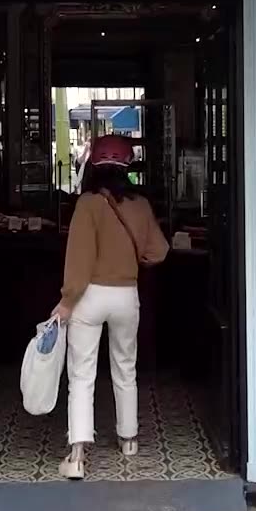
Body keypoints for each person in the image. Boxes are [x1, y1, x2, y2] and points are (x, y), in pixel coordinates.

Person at [50, 134, 168, 480]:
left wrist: (67, 300)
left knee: (82, 375)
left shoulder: (87, 204)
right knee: (125, 369)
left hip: (90, 297)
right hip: (126, 296)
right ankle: (129, 439)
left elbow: (80, 259)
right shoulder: (141, 205)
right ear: (127, 166)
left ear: (94, 166)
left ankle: (77, 456)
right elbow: (158, 251)